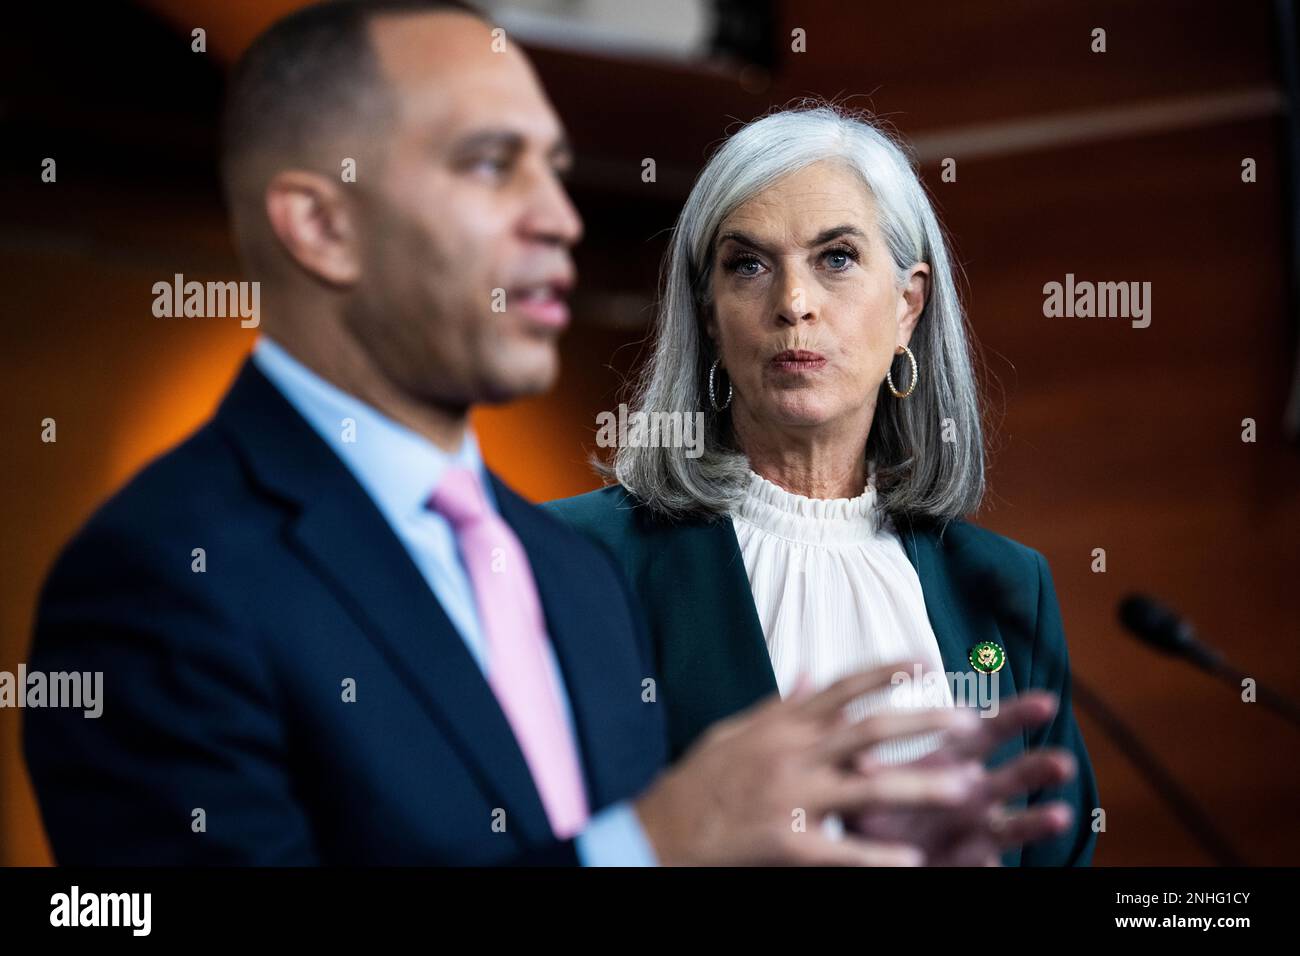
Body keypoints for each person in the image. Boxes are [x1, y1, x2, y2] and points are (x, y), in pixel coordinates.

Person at [22, 1, 1055, 867]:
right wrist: (650, 844)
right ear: (321, 225)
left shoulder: (560, 572)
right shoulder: (158, 580)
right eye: (489, 164)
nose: (559, 217)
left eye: (553, 169)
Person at [548, 104, 1099, 865]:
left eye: (836, 258)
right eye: (748, 264)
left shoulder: (1005, 588)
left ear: (908, 304)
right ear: (710, 314)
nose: (794, 303)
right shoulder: (571, 560)